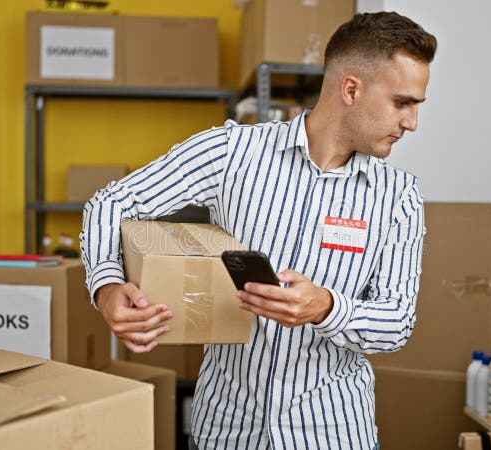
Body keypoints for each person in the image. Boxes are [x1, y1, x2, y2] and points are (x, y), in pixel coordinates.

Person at [81, 11, 436, 450]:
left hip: (332, 431)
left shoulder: (398, 196)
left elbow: (397, 321)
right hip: (227, 427)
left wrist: (325, 307)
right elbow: (111, 202)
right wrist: (107, 286)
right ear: (351, 89)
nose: (412, 123)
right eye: (403, 102)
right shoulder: (233, 151)